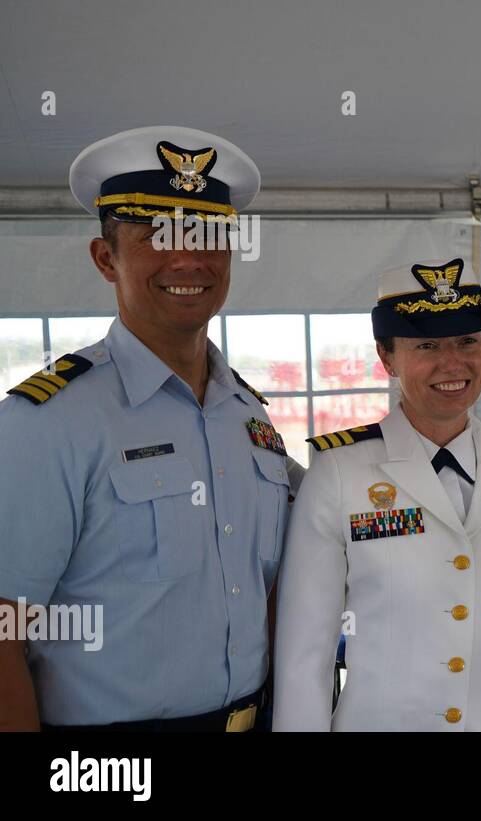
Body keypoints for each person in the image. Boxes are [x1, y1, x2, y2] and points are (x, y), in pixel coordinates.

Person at [0, 126, 295, 731]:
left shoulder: (249, 417)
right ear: (106, 258)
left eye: (209, 234)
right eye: (158, 235)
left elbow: (268, 591)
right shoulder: (49, 423)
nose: (189, 258)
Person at [272, 258, 481, 731]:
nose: (453, 362)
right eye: (427, 345)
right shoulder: (341, 474)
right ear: (387, 359)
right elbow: (306, 652)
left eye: (467, 341)